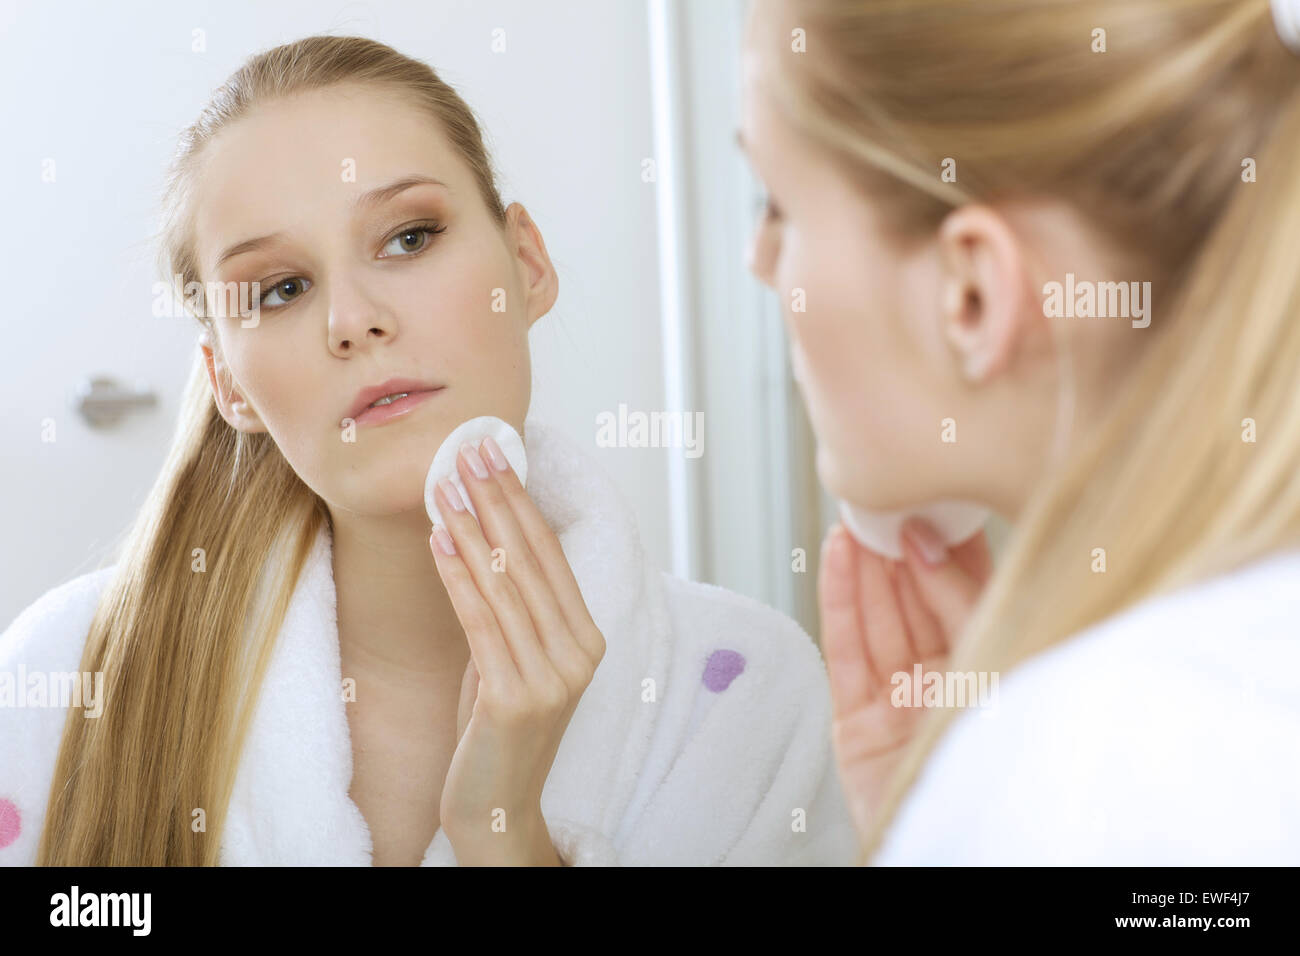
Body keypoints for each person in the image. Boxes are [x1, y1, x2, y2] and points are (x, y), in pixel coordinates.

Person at [0, 35, 856, 867]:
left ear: (527, 264)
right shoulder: (63, 679)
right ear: (228, 385)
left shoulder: (747, 698)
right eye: (282, 289)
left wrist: (502, 834)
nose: (352, 320)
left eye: (409, 237)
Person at [737, 0, 1300, 864]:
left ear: (972, 294)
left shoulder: (1085, 777)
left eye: (778, 204)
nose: (760, 260)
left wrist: (985, 804)